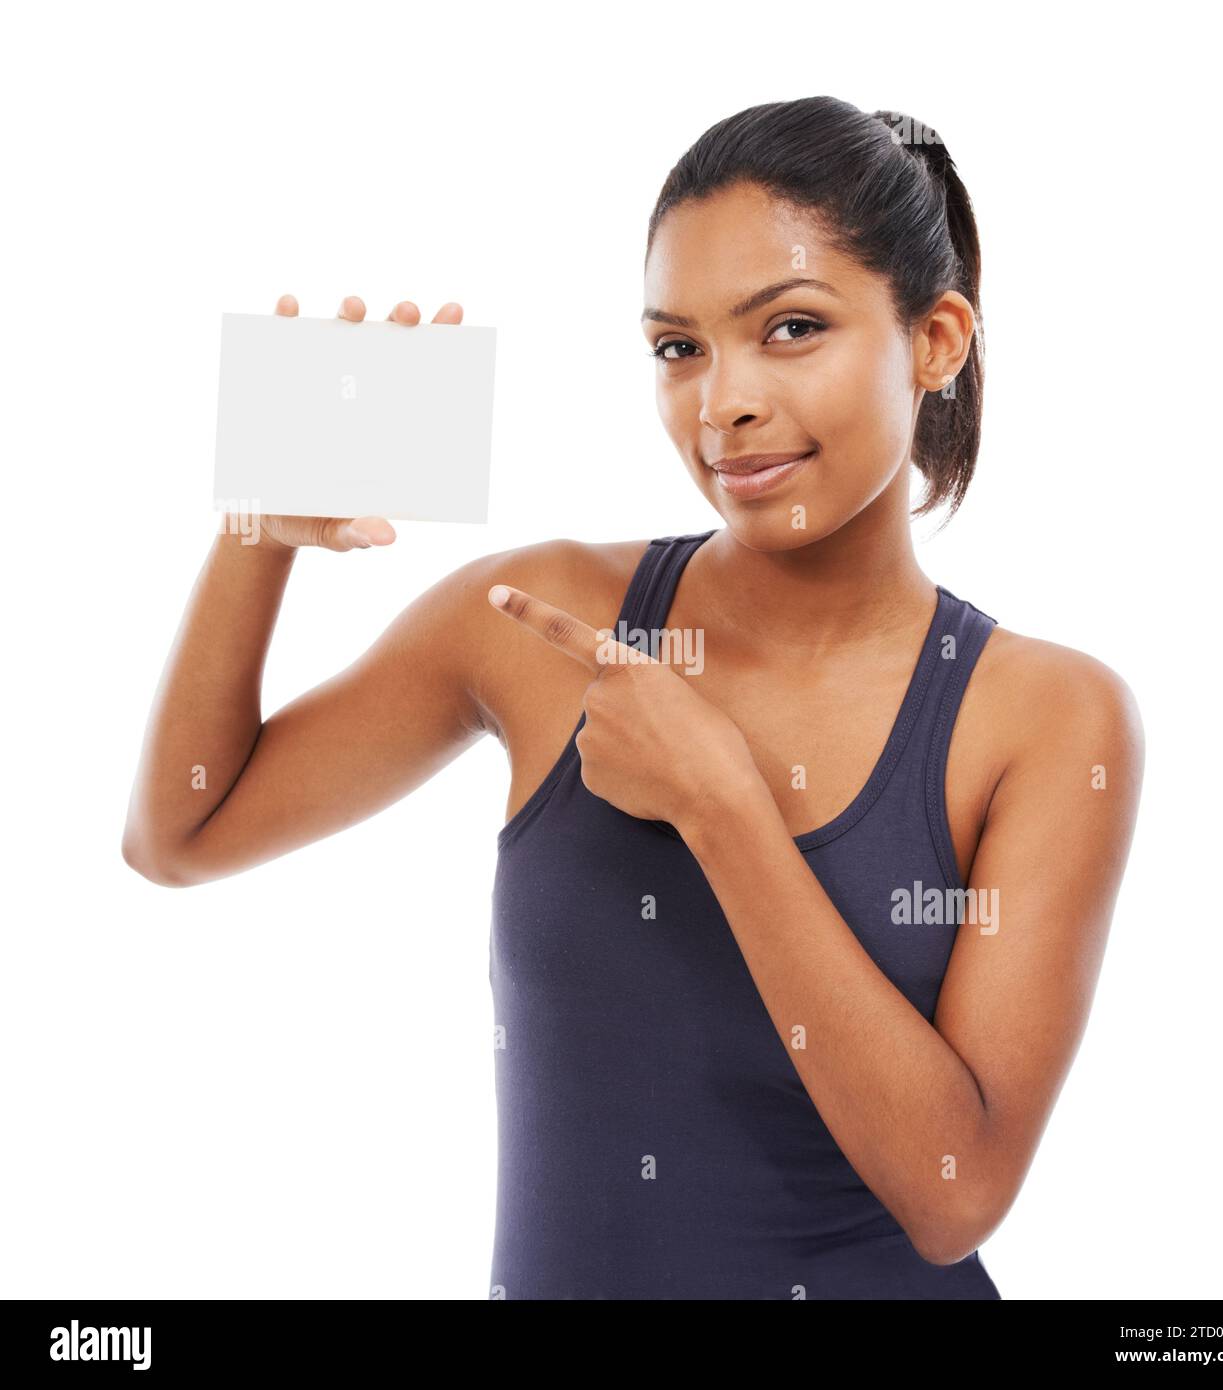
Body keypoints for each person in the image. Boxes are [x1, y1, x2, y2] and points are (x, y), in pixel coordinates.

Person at [122, 96, 1144, 1300]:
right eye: (679, 347)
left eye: (792, 328)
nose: (722, 403)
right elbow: (179, 834)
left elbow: (952, 1191)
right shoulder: (535, 616)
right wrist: (260, 528)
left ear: (935, 339)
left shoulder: (1046, 716)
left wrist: (722, 807)